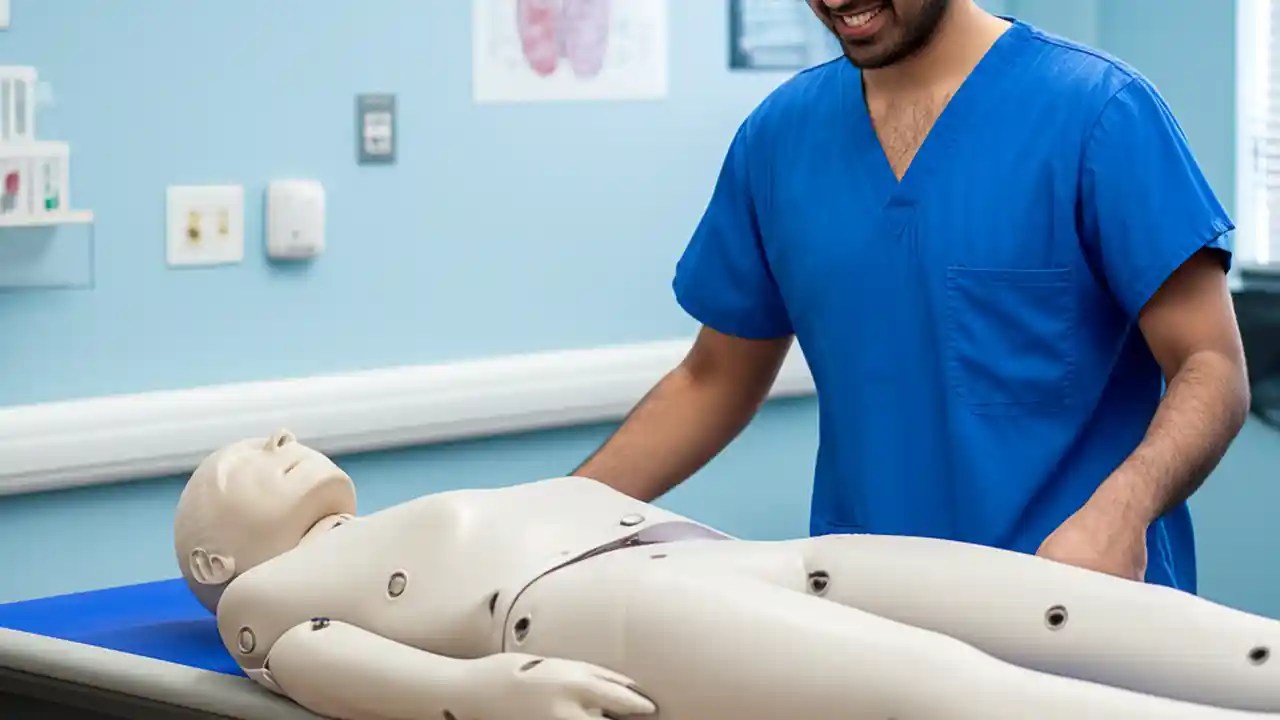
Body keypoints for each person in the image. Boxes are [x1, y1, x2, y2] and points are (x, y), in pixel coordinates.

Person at [572, 0, 1248, 592]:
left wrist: (1121, 510)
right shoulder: (779, 139)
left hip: (1079, 610)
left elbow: (1211, 366)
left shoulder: (1100, 113)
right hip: (873, 620)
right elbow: (712, 379)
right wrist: (555, 517)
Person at [174, 430, 1280, 719]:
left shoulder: (381, 527)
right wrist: (475, 698)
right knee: (957, 693)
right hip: (606, 609)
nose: (275, 435)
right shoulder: (262, 597)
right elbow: (317, 662)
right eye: (240, 458)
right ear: (217, 562)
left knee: (1077, 612)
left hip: (736, 559)